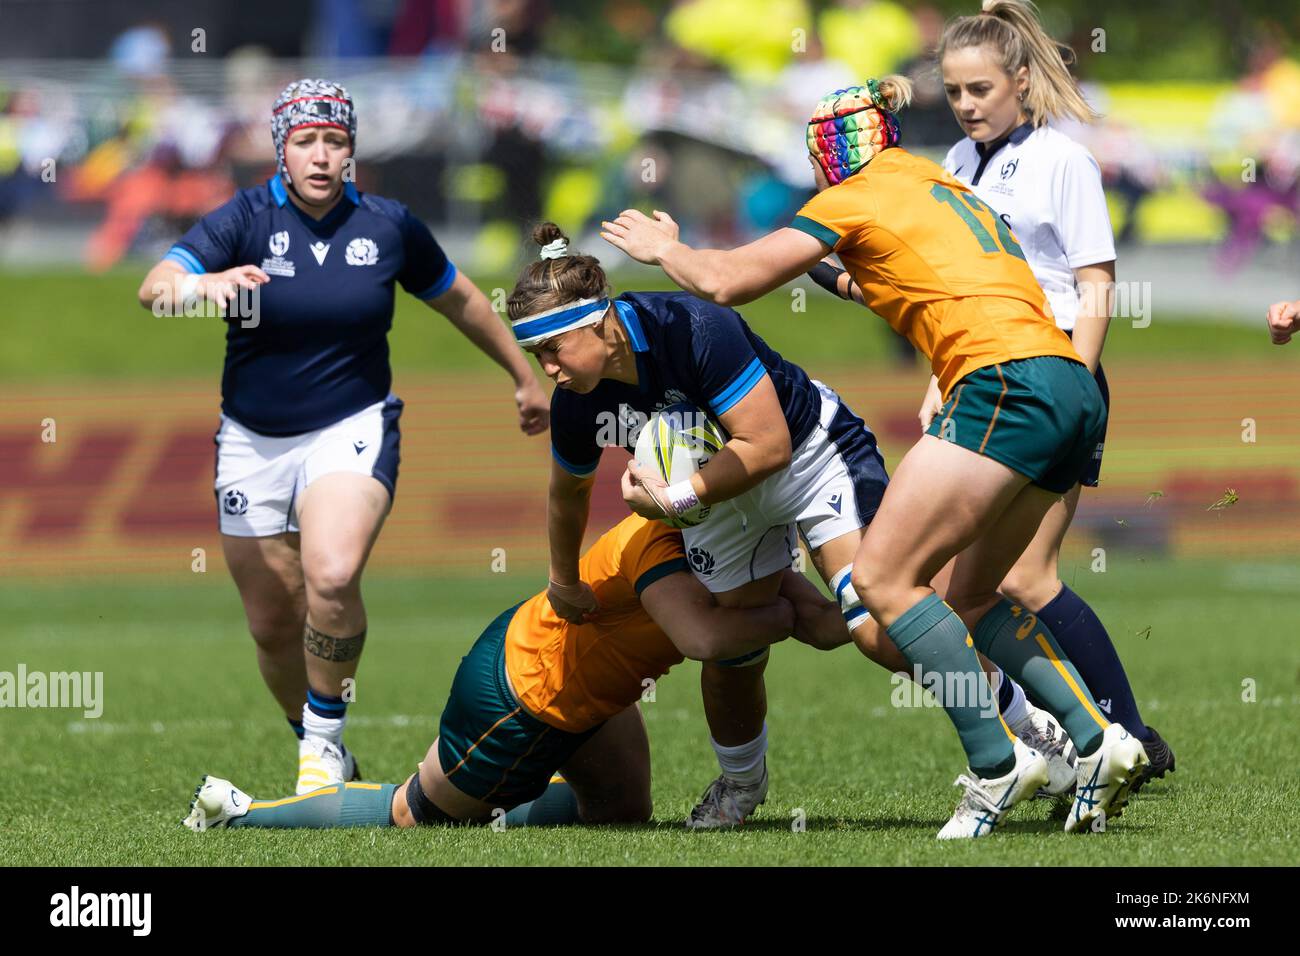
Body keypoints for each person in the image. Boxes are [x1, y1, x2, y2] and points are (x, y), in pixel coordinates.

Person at [601, 74, 1149, 837]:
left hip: (1000, 385)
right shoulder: (931, 177)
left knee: (887, 582)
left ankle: (998, 767)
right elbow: (884, 278)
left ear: (830, 159)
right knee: (974, 593)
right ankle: (1099, 743)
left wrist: (668, 249)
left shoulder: (850, 196)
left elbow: (724, 282)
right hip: (1069, 380)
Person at [137, 79, 550, 795]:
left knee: (330, 574)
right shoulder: (243, 219)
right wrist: (202, 288)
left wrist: (523, 374)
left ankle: (322, 745)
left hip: (353, 426)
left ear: (351, 150)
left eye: (335, 141)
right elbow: (156, 287)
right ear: (281, 150)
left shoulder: (389, 226)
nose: (322, 156)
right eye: (306, 142)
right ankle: (319, 740)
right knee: (272, 619)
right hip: (251, 439)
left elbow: (461, 299)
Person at [810, 0, 1175, 792]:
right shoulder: (956, 171)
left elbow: (1094, 281)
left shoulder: (1061, 159)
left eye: (981, 88)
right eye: (954, 91)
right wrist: (928, 368)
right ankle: (1085, 742)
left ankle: (1119, 736)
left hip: (1055, 376)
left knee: (1024, 580)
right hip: (986, 384)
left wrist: (1080, 374)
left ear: (1021, 81)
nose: (967, 104)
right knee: (977, 590)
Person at [182, 515, 830, 831]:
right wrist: (785, 613)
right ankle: (240, 812)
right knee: (411, 815)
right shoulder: (657, 542)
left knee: (621, 814)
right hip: (519, 700)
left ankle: (500, 802)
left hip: (594, 696)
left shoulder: (737, 539)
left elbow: (828, 626)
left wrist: (888, 599)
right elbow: (706, 637)